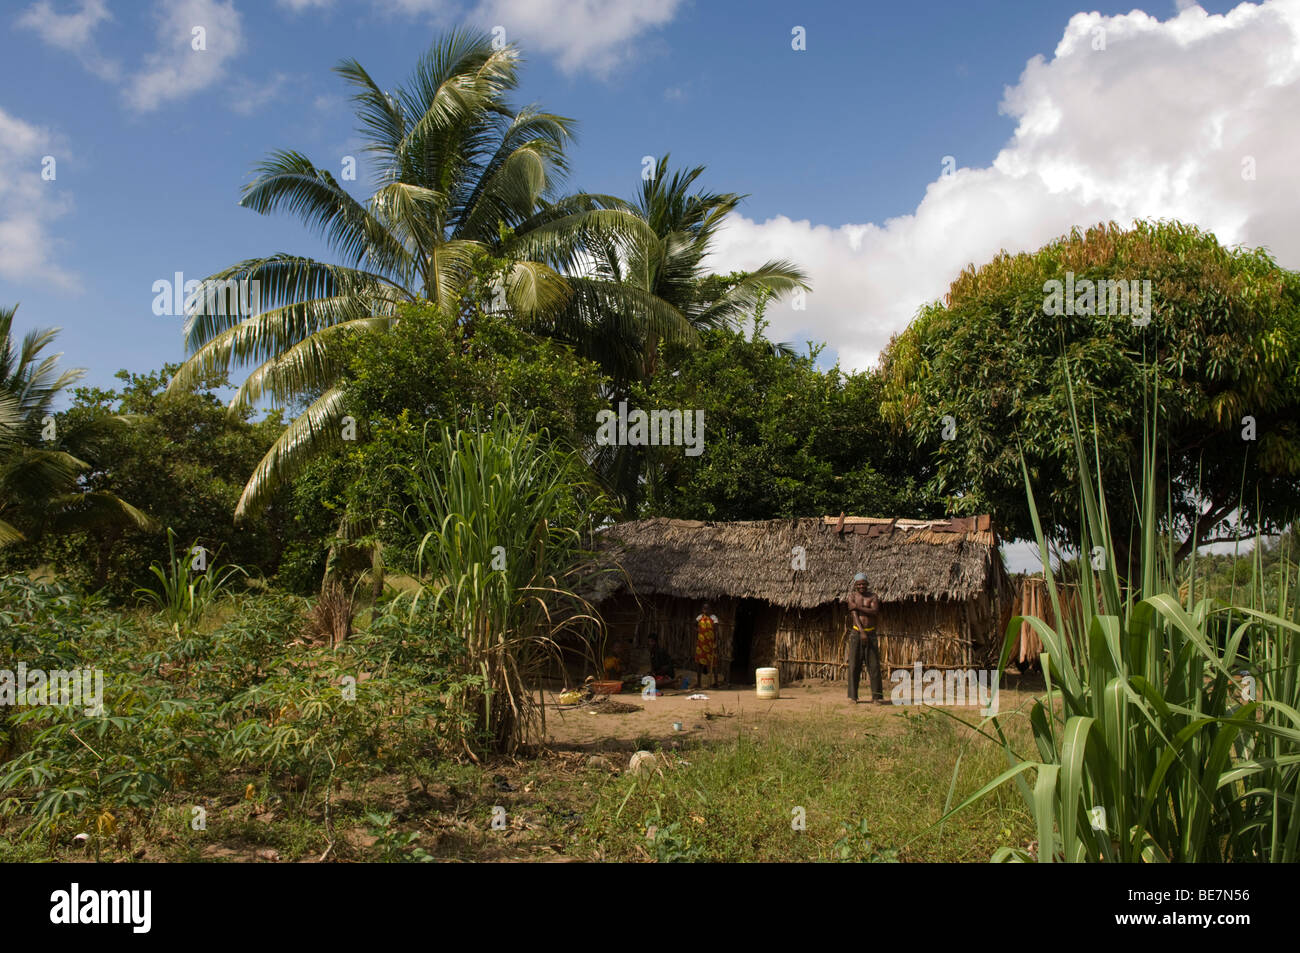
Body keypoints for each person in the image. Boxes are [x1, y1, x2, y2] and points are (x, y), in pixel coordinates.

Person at [846, 572, 884, 703]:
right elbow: (855, 616)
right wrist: (862, 632)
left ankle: (877, 697)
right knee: (854, 665)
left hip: (871, 633)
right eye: (859, 584)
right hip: (857, 633)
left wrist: (858, 606)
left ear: (867, 584)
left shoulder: (873, 597)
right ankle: (853, 697)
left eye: (863, 584)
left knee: (874, 667)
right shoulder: (851, 597)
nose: (861, 586)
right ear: (855, 585)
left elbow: (874, 611)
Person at [694, 603, 721, 688]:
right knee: (699, 663)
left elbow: (716, 631)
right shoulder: (699, 617)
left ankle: (716, 682)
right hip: (701, 644)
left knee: (714, 663)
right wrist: (698, 630)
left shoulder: (714, 618)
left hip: (710, 644)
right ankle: (699, 683)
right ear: (702, 609)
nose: (706, 610)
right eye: (704, 608)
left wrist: (715, 643)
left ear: (710, 609)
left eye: (707, 608)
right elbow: (694, 625)